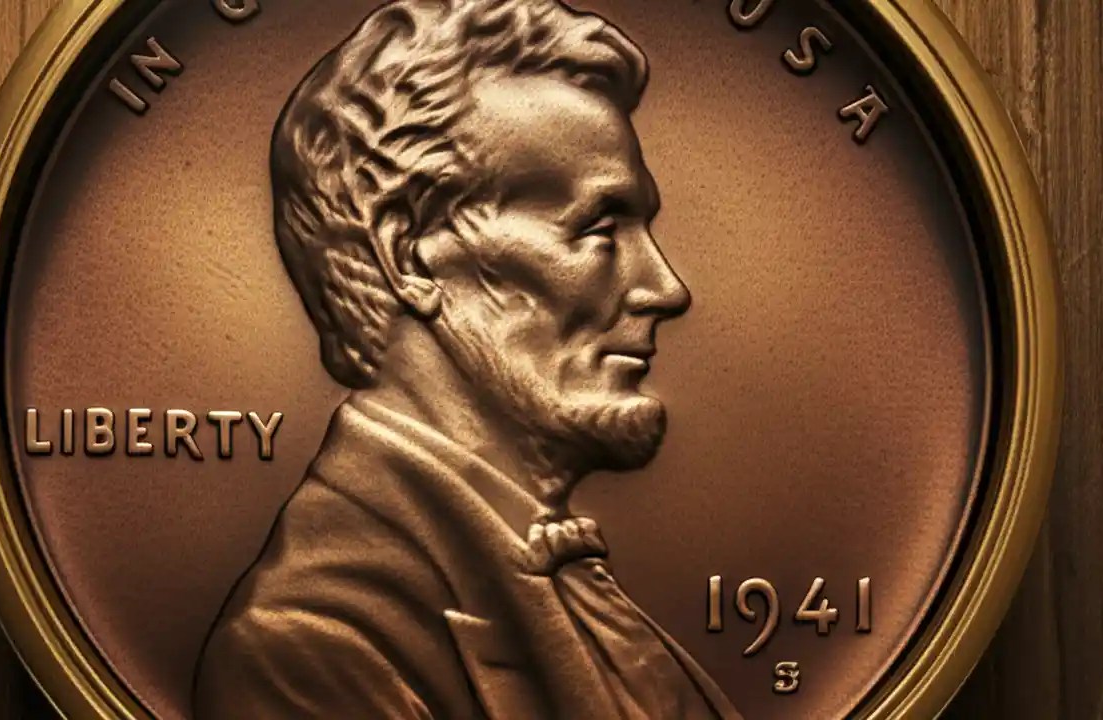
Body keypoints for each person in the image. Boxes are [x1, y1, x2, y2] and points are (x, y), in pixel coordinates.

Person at [194, 1, 740, 717]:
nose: (665, 288)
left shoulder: (559, 579)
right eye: (599, 229)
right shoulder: (309, 648)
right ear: (407, 252)